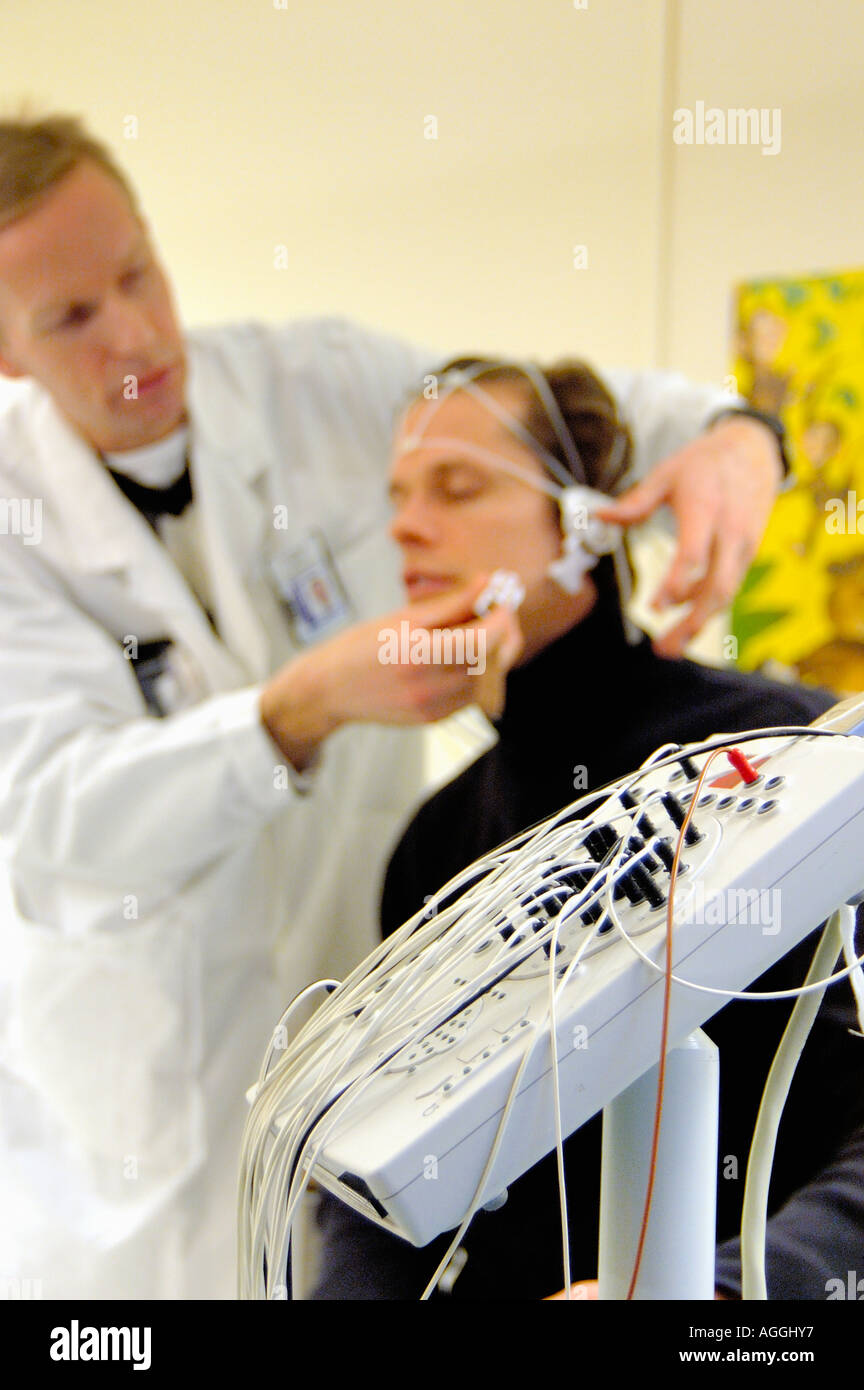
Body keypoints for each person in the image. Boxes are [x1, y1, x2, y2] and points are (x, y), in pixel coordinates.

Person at [0, 113, 790, 1301]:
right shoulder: (445, 847)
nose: (136, 333)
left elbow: (597, 410)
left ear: (588, 520)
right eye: (71, 315)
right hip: (132, 1140)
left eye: (137, 273)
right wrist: (296, 708)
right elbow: (46, 828)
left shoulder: (758, 762)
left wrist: (738, 438)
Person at [312, 358, 864, 1300]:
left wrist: (728, 1295)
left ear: (587, 518)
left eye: (458, 487)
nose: (405, 526)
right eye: (398, 496)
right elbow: (381, 1173)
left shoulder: (804, 759)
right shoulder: (434, 844)